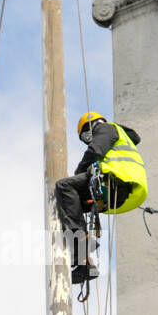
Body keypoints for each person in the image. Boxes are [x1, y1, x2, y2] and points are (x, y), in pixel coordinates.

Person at [55, 111, 148, 283]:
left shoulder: (106, 128)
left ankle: (81, 244)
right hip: (119, 190)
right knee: (68, 206)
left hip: (115, 181)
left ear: (91, 125)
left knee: (64, 186)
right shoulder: (120, 137)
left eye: (85, 135)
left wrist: (78, 174)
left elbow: (95, 151)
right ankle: (85, 263)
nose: (87, 139)